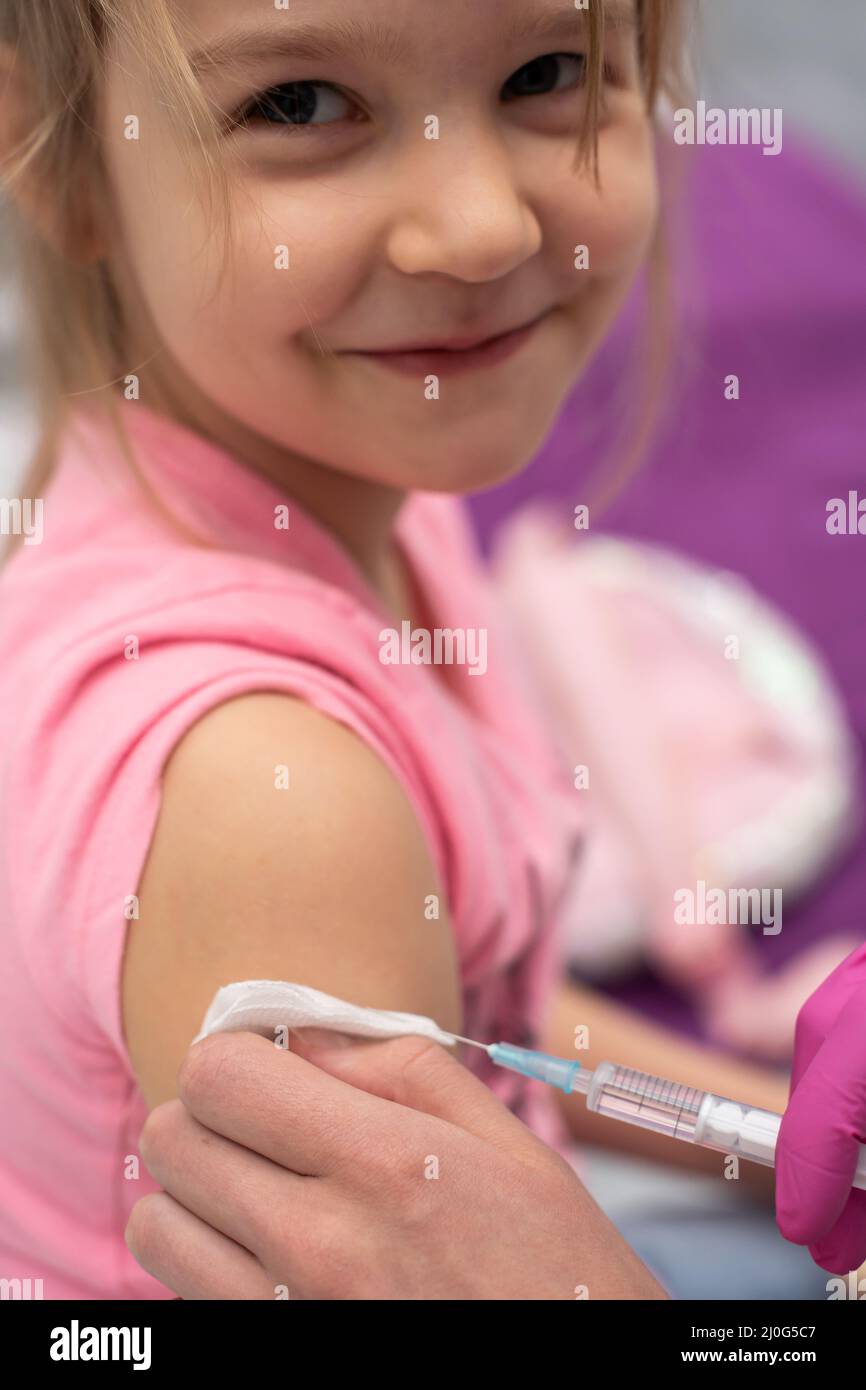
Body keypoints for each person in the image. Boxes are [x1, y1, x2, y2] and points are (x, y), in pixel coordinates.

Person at [0, 0, 804, 1301]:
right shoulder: (278, 800)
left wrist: (766, 1134)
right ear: (62, 160)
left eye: (545, 71)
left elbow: (482, 1019)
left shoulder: (357, 470)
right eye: (302, 105)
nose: (480, 222)